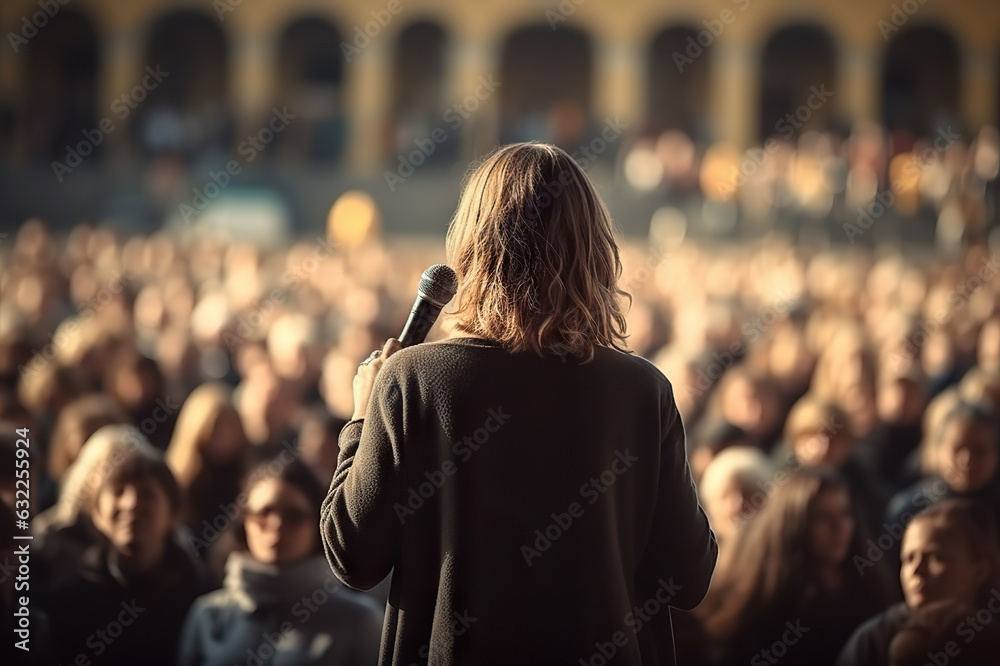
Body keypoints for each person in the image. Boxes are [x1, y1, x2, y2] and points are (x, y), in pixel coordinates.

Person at [320, 142, 718, 664]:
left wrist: (363, 417)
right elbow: (688, 577)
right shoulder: (642, 390)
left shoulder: (414, 379)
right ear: (593, 249)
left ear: (473, 243)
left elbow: (353, 556)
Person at [178, 458, 383, 666]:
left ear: (319, 525)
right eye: (264, 512)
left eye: (294, 516)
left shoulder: (359, 620)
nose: (276, 525)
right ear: (243, 522)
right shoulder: (208, 614)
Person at [695, 468, 896, 666]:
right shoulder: (765, 607)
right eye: (822, 517)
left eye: (844, 514)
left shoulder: (869, 589)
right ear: (794, 525)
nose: (838, 527)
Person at [43, 440, 212, 666]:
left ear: (174, 513)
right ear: (97, 515)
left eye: (147, 494)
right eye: (119, 491)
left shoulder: (202, 599)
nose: (131, 504)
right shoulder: (67, 599)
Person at [836, 499, 1000, 665]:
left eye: (936, 557)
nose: (916, 571)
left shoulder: (992, 638)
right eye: (909, 559)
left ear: (980, 571)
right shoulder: (872, 641)